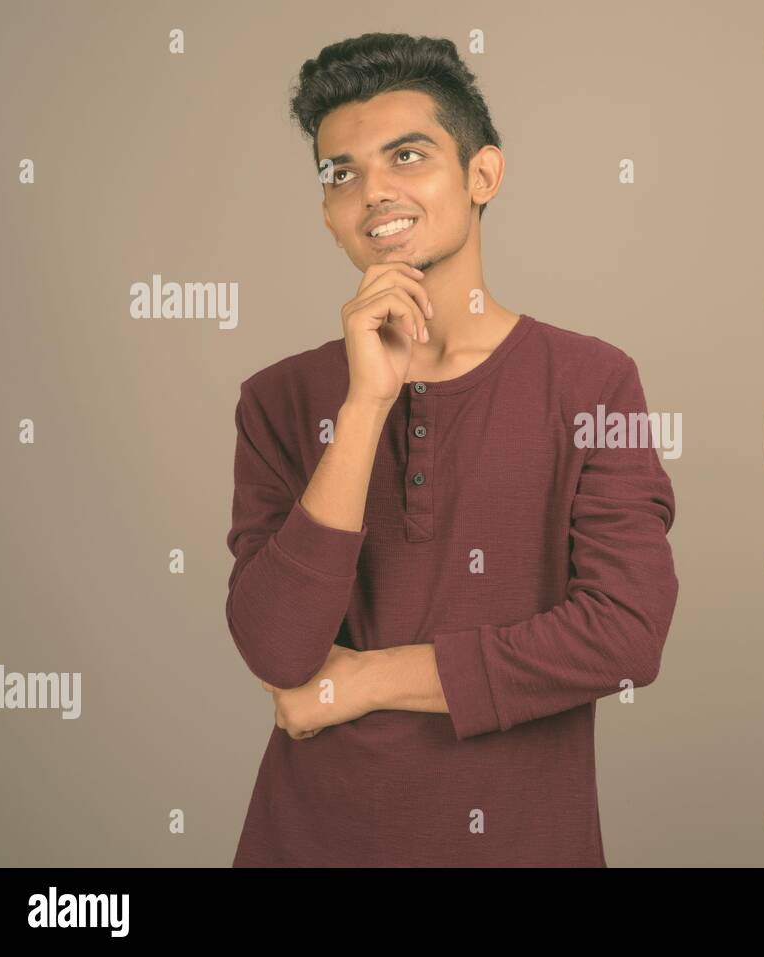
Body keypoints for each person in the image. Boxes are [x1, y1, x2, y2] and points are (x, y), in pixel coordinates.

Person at [224, 33, 678, 866]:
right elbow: (278, 651)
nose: (374, 191)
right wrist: (366, 402)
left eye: (407, 155)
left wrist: (365, 679)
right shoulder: (279, 399)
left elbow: (625, 635)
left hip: (523, 842)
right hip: (309, 841)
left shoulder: (592, 381)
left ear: (482, 176)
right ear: (327, 215)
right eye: (342, 172)